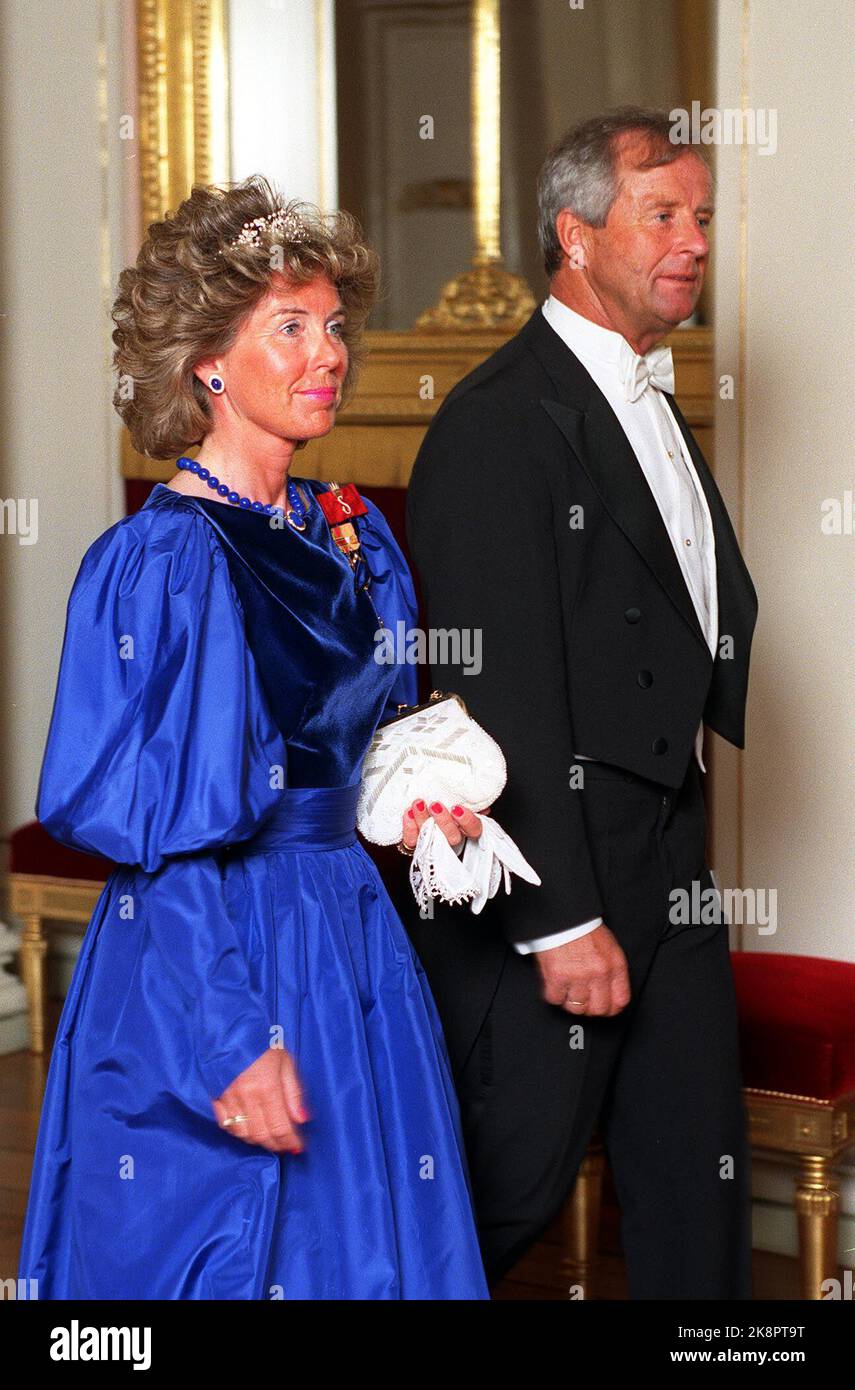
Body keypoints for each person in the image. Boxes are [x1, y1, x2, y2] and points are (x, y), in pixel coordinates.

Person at [17, 176, 489, 1300]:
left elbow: (357, 743)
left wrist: (425, 804)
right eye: (291, 327)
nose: (328, 352)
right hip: (207, 949)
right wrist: (229, 1035)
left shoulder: (350, 528)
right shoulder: (166, 561)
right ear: (207, 362)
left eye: (334, 327)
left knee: (370, 1239)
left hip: (350, 938)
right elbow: (166, 844)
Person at [404, 107, 759, 1298]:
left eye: (702, 216)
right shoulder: (500, 422)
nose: (695, 239)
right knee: (502, 1188)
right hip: (560, 884)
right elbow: (501, 688)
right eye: (663, 213)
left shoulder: (647, 400)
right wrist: (559, 921)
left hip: (673, 863)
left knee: (697, 1188)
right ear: (576, 234)